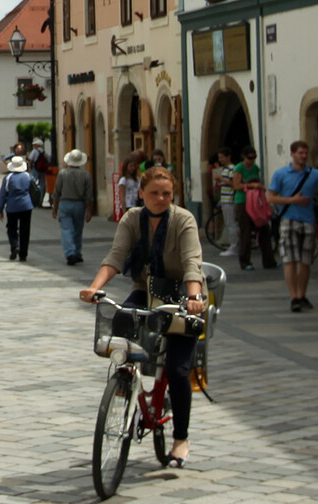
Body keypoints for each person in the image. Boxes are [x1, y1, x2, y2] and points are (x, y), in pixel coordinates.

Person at [78, 166, 208, 469]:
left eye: (167, 194)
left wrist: (194, 297)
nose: (161, 199)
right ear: (142, 193)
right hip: (146, 291)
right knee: (120, 325)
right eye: (154, 193)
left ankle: (181, 439)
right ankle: (126, 382)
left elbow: (192, 262)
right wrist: (94, 288)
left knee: (177, 370)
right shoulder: (132, 219)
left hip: (182, 297)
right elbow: (116, 255)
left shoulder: (183, 220)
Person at [268, 140, 318, 312]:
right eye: (300, 153)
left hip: (308, 220)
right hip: (288, 219)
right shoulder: (281, 174)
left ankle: (302, 294)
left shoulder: (315, 175)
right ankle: (294, 296)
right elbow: (270, 197)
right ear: (292, 154)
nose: (303, 156)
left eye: (306, 153)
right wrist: (292, 200)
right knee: (290, 260)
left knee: (306, 261)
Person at [232, 147, 269, 271]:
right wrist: (251, 185)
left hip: (255, 201)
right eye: (249, 158)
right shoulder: (239, 168)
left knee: (264, 228)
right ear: (244, 157)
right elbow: (236, 185)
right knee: (245, 232)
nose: (252, 160)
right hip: (243, 201)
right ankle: (245, 261)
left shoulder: (255, 168)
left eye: (254, 157)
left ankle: (269, 260)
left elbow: (258, 180)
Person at [54, 149, 93, 264]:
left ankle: (70, 252)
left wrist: (55, 208)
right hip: (79, 204)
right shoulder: (86, 175)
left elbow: (57, 192)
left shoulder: (62, 173)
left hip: (65, 203)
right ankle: (77, 252)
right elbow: (89, 195)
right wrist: (89, 210)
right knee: (77, 229)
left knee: (66, 229)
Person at [0, 154, 36, 260]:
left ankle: (15, 245)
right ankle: (23, 254)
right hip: (26, 206)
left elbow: (3, 194)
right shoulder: (28, 176)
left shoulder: (8, 178)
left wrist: (0, 209)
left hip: (12, 206)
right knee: (25, 229)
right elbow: (34, 189)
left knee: (11, 228)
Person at [214, 149, 238, 253]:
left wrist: (222, 179)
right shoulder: (225, 169)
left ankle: (234, 246)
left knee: (231, 223)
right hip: (224, 198)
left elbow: (234, 183)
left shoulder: (231, 169)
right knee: (229, 223)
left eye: (222, 157)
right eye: (219, 158)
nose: (220, 160)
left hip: (229, 199)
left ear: (228, 157)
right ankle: (233, 245)